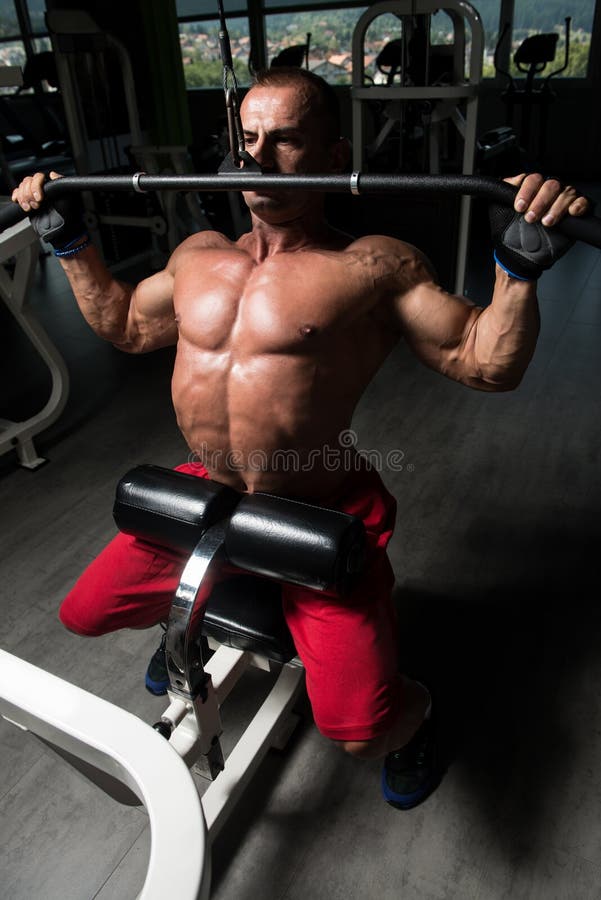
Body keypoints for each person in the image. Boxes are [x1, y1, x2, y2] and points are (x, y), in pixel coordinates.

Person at [12, 67, 589, 811]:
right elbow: (124, 324)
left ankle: (416, 716)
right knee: (83, 614)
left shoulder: (371, 265)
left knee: (358, 732)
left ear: (331, 149)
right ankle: (210, 604)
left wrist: (516, 271)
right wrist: (69, 242)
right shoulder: (197, 255)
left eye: (286, 140)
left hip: (316, 510)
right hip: (208, 494)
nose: (259, 158)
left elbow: (482, 364)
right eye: (248, 139)